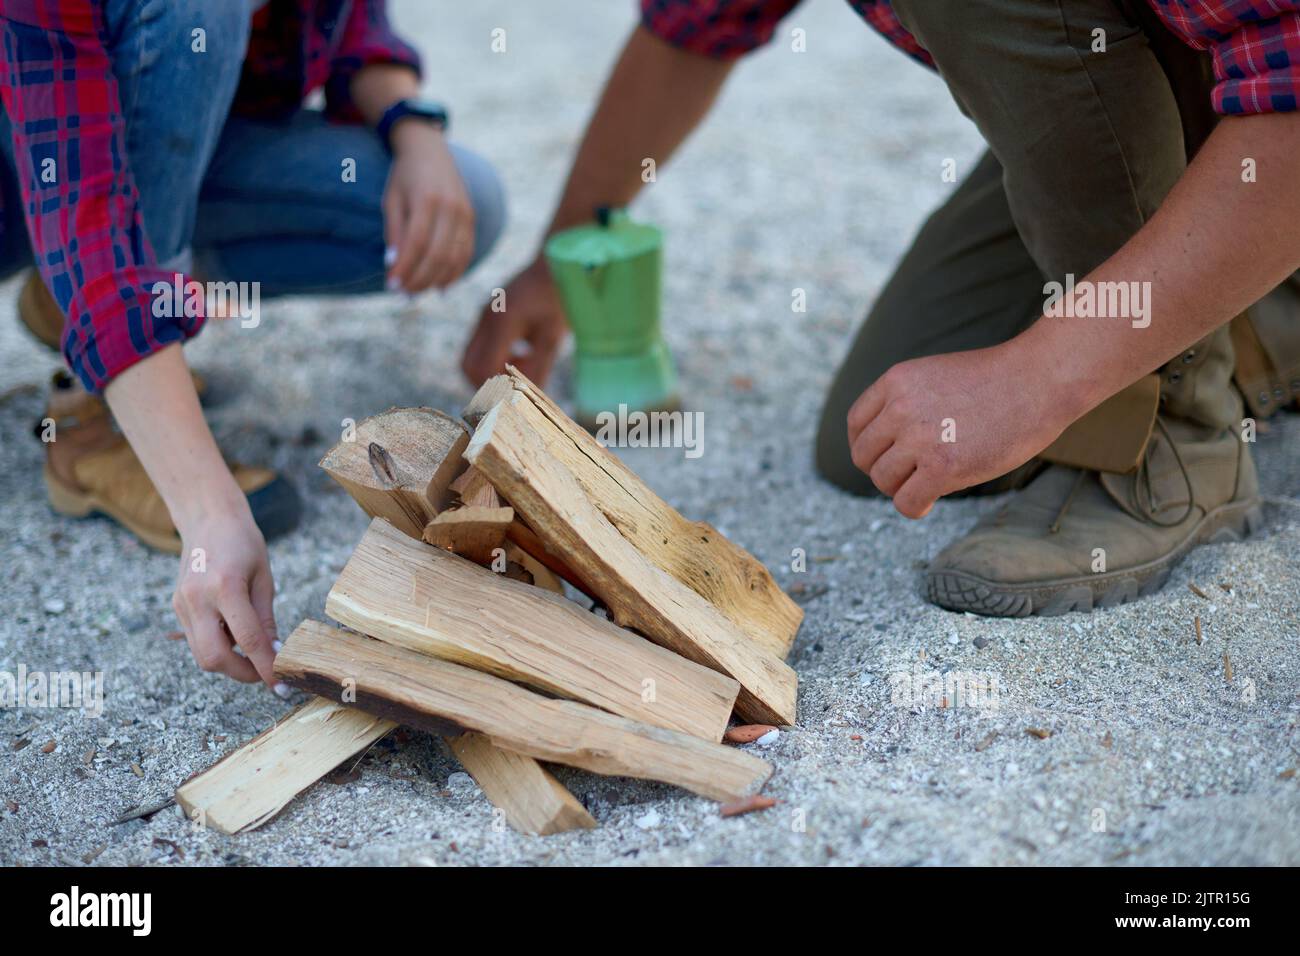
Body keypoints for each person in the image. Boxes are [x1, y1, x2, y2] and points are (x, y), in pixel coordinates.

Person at [462, 0, 1300, 616]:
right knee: (874, 447)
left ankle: (1175, 442)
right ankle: (1261, 289)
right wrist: (561, 253)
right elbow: (697, 24)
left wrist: (1041, 376)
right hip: (1214, 104)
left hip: (1273, 114)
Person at [0, 0, 504, 690]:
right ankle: (96, 409)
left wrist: (412, 129)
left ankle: (112, 327)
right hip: (32, 168)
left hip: (135, 152)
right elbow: (82, 207)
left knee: (469, 197)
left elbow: (353, 20)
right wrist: (208, 511)